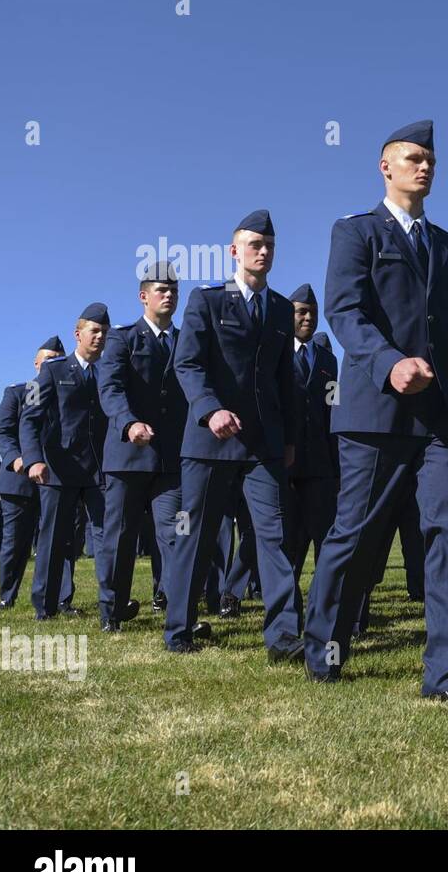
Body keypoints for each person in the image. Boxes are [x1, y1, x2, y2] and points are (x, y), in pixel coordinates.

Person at [302, 120, 448, 698]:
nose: (423, 166)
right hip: (375, 412)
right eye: (412, 157)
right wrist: (388, 362)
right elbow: (344, 311)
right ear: (386, 167)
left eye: (430, 158)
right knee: (355, 533)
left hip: (439, 420)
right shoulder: (355, 232)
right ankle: (325, 646)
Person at [165, 209, 303, 657]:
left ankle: (283, 635)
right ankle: (179, 629)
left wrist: (289, 441)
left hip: (263, 445)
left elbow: (287, 382)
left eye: (269, 247)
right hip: (210, 442)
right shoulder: (206, 301)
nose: (263, 253)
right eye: (254, 245)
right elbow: (187, 364)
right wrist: (210, 411)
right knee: (197, 535)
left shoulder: (281, 308)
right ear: (234, 251)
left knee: (275, 537)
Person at [98, 261, 188, 631]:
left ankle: (175, 610)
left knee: (175, 533)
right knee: (120, 537)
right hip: (128, 457)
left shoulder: (186, 341)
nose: (169, 296)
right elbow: (111, 388)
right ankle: (112, 609)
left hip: (171, 460)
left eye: (174, 292)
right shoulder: (121, 339)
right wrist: (129, 422)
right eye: (161, 291)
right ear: (143, 297)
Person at [20, 304, 119, 625]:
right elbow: (29, 419)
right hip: (58, 469)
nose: (100, 337)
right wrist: (33, 460)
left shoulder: (110, 371)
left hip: (100, 471)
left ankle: (111, 606)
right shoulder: (52, 370)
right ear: (78, 334)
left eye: (105, 332)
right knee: (53, 538)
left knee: (106, 538)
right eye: (95, 331)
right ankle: (45, 606)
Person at [0, 338, 69, 609]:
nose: (53, 364)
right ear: (37, 364)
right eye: (49, 359)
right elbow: (3, 431)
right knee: (16, 543)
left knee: (60, 539)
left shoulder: (69, 395)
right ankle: (7, 596)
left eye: (59, 359)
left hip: (58, 477)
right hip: (20, 479)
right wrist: (15, 459)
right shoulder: (20, 392)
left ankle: (61, 599)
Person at [285, 283, 339, 583]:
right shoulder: (275, 353)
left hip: (320, 466)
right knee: (289, 545)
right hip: (285, 464)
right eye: (301, 312)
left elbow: (333, 411)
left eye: (313, 314)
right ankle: (288, 617)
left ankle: (327, 609)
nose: (308, 318)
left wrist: (337, 468)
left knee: (327, 542)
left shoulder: (328, 361)